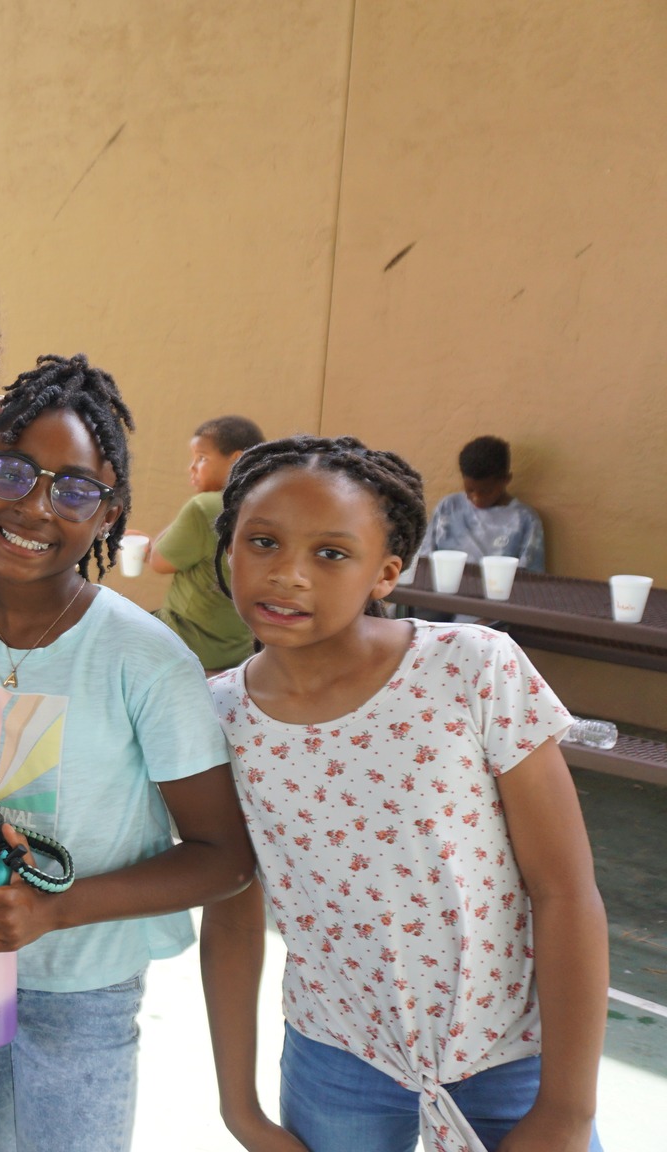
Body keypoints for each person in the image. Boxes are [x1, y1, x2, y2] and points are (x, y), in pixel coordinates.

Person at [0, 354, 256, 1152]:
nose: (36, 506)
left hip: (84, 985)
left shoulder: (145, 658)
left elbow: (224, 859)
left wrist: (52, 910)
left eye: (75, 489)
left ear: (109, 514)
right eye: (12, 472)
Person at [200, 436, 606, 1152]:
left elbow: (565, 890)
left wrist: (567, 1110)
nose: (288, 574)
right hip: (336, 1063)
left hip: (512, 1055)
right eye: (262, 542)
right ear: (228, 547)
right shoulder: (217, 717)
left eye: (331, 553)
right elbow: (232, 916)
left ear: (385, 572)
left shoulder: (471, 668)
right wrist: (241, 1112)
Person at [126, 414, 266, 671]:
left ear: (236, 460)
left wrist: (197, 499)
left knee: (114, 631)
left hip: (188, 638)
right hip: (238, 645)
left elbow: (159, 562)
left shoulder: (203, 506)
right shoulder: (263, 503)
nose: (191, 467)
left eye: (201, 458)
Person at [417, 434, 547, 572]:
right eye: (470, 490)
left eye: (486, 491)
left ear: (506, 480)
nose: (477, 498)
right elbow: (424, 560)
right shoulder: (448, 508)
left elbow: (530, 575)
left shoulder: (524, 519)